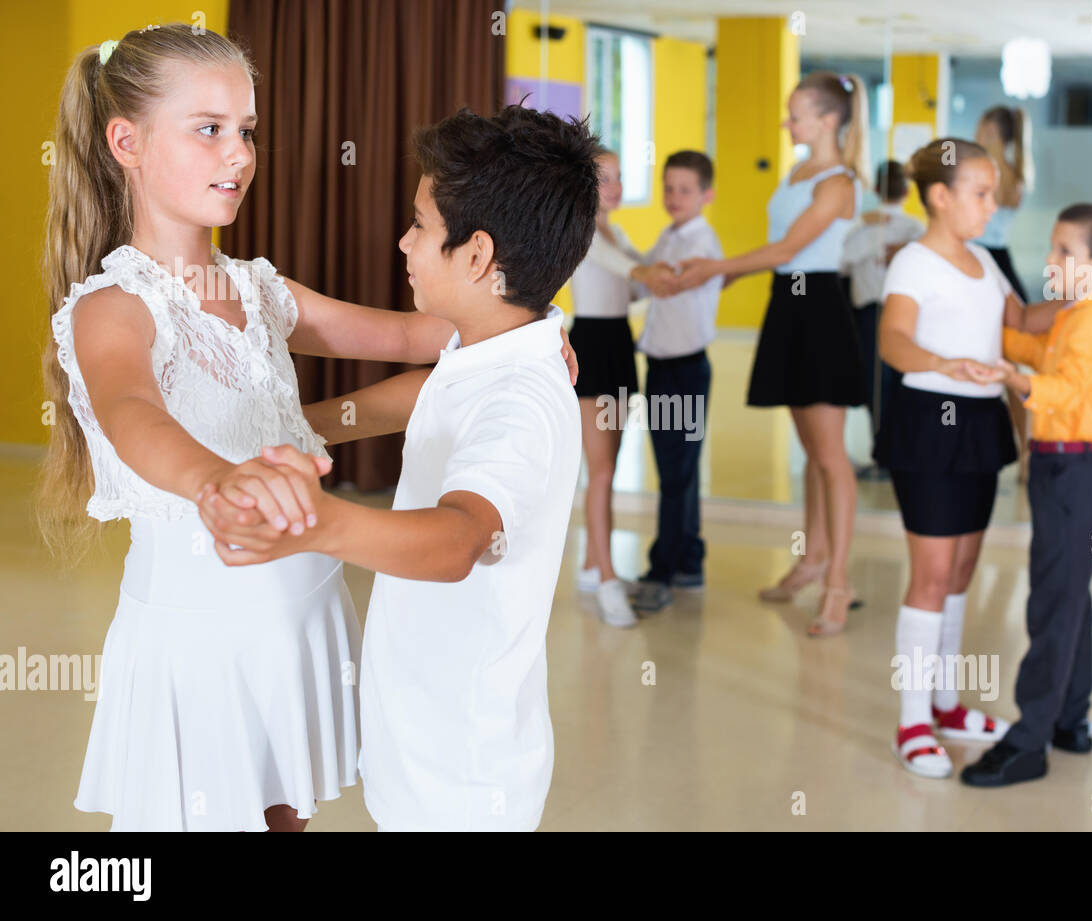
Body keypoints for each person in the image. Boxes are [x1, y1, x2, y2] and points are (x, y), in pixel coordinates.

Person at [41, 26, 577, 832]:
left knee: (284, 816)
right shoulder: (114, 308)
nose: (239, 154)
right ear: (128, 142)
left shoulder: (259, 290)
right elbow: (133, 416)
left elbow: (414, 334)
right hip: (206, 639)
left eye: (247, 130)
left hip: (300, 615)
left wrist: (532, 328)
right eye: (209, 129)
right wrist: (213, 479)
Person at [199, 104, 593, 831]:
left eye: (419, 224)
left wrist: (314, 525)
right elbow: (433, 397)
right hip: (422, 741)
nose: (402, 241)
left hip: (464, 776)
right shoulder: (500, 341)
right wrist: (300, 429)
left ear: (477, 256)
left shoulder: (521, 401)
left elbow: (455, 541)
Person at [875, 138, 1065, 778]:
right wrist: (943, 363)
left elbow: (1026, 321)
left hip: (981, 422)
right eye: (981, 193)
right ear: (940, 196)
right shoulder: (912, 261)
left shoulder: (985, 259)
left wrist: (1081, 294)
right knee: (930, 576)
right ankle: (912, 720)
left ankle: (948, 705)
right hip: (929, 423)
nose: (993, 204)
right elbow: (893, 341)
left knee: (959, 573)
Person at [673, 71, 869, 636]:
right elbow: (781, 259)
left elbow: (788, 248)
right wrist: (722, 280)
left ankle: (839, 581)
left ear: (828, 120)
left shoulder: (839, 183)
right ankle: (811, 561)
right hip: (789, 304)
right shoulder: (797, 171)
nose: (788, 123)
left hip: (821, 311)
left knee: (831, 457)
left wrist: (716, 267)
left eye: (796, 114)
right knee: (811, 450)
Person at [961, 204, 1092, 787]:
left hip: (1075, 475)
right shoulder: (1074, 314)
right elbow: (1039, 353)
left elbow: (1064, 387)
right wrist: (993, 336)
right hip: (1062, 471)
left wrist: (1012, 379)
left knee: (1052, 605)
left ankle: (1029, 741)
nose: (1051, 261)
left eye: (1066, 253)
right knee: (1070, 599)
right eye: (1052, 248)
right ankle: (1069, 720)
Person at [568, 148, 675, 627]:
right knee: (603, 469)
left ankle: (595, 564)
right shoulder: (582, 232)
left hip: (618, 345)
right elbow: (621, 267)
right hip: (591, 344)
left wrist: (681, 270)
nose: (614, 187)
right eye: (603, 179)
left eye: (618, 178)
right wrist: (646, 271)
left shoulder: (620, 231)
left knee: (608, 465)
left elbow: (636, 284)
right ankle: (608, 578)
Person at [626, 151, 724, 613]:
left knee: (675, 474)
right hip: (665, 370)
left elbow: (657, 283)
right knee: (677, 472)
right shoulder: (670, 234)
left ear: (707, 195)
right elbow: (643, 278)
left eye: (684, 190)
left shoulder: (701, 244)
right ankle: (688, 560)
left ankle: (662, 570)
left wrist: (637, 269)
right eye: (668, 188)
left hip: (683, 371)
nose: (673, 197)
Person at [839, 159, 924, 479]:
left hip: (878, 316)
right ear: (907, 191)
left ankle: (890, 454)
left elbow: (842, 261)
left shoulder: (870, 230)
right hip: (887, 317)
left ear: (875, 189)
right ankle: (892, 453)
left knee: (883, 388)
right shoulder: (910, 229)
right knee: (887, 386)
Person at [974, 106, 1035, 482]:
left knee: (1007, 365)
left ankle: (1028, 447)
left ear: (993, 130)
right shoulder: (997, 170)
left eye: (982, 127)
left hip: (990, 264)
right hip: (983, 261)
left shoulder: (1006, 175)